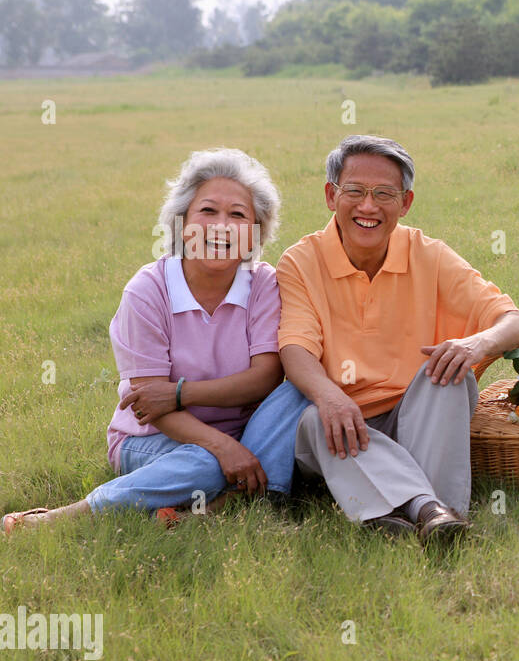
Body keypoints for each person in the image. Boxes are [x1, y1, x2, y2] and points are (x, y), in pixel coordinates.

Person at [3, 148, 309, 535]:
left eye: (238, 215)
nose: (222, 226)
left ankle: (227, 502)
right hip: (154, 438)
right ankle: (64, 518)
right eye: (208, 211)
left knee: (301, 389)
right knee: (206, 466)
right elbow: (151, 406)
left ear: (256, 232)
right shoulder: (147, 290)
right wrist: (223, 448)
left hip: (244, 433)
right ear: (182, 224)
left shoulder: (263, 283)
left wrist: (181, 393)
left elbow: (265, 377)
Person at [276, 135, 519, 542]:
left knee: (448, 373)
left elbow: (515, 323)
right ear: (330, 195)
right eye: (355, 192)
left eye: (384, 194)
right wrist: (328, 395)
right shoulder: (300, 261)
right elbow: (295, 349)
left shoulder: (427, 253)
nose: (368, 207)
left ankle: (394, 514)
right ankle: (431, 512)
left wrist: (474, 345)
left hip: (418, 423)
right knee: (312, 417)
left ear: (406, 203)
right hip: (346, 423)